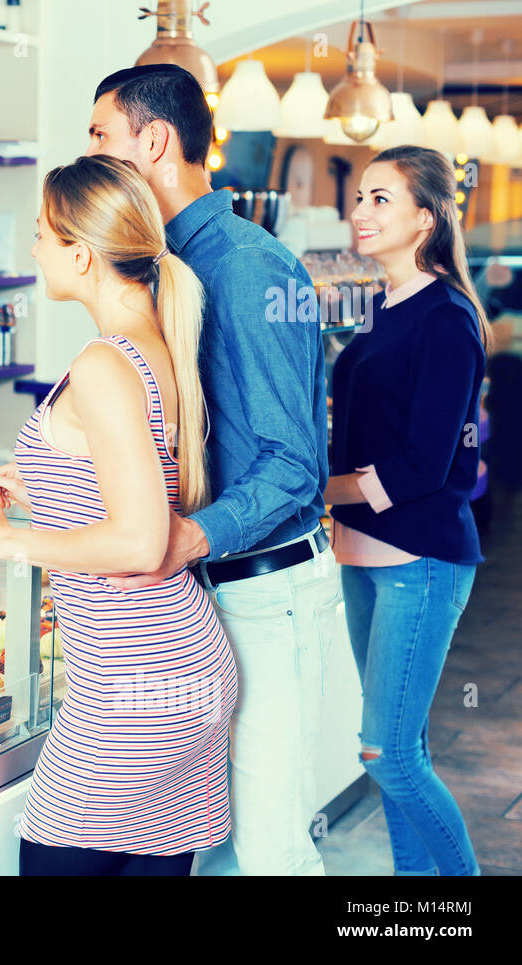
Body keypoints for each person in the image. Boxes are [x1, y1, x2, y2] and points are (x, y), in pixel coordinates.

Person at [48, 63, 337, 876]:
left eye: (101, 135)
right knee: (203, 855)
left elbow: (294, 464)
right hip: (212, 595)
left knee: (273, 851)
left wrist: (186, 537)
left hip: (267, 592)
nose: (93, 152)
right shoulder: (165, 264)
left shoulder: (246, 266)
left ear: (154, 142)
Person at [0, 155, 236, 877]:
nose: (33, 248)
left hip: (134, 685)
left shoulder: (104, 363)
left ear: (81, 254)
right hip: (181, 668)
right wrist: (45, 479)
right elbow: (132, 481)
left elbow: (142, 539)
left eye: (43, 234)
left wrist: (7, 538)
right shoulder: (160, 347)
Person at [327, 146, 489, 876]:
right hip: (362, 557)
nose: (361, 212)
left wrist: (319, 489)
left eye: (381, 199)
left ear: (425, 217)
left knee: (387, 754)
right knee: (395, 749)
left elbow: (423, 466)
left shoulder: (447, 318)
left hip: (418, 564)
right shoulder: (377, 308)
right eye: (360, 196)